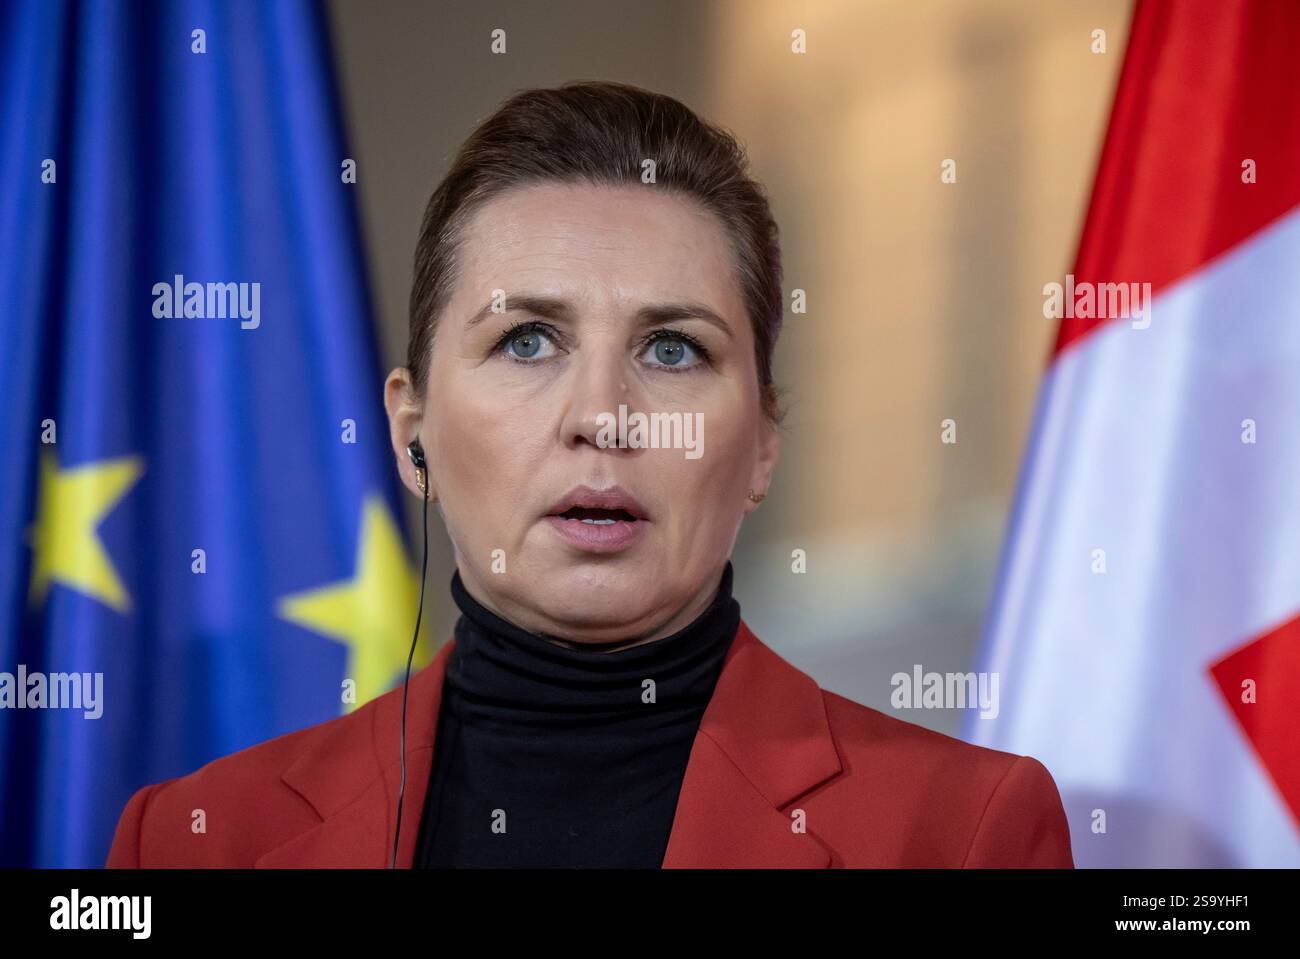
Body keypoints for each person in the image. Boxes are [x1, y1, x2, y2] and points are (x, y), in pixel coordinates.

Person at [107, 80, 1073, 869]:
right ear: (413, 432)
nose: (601, 416)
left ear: (763, 449)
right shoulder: (195, 841)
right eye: (527, 340)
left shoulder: (962, 831)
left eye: (673, 349)